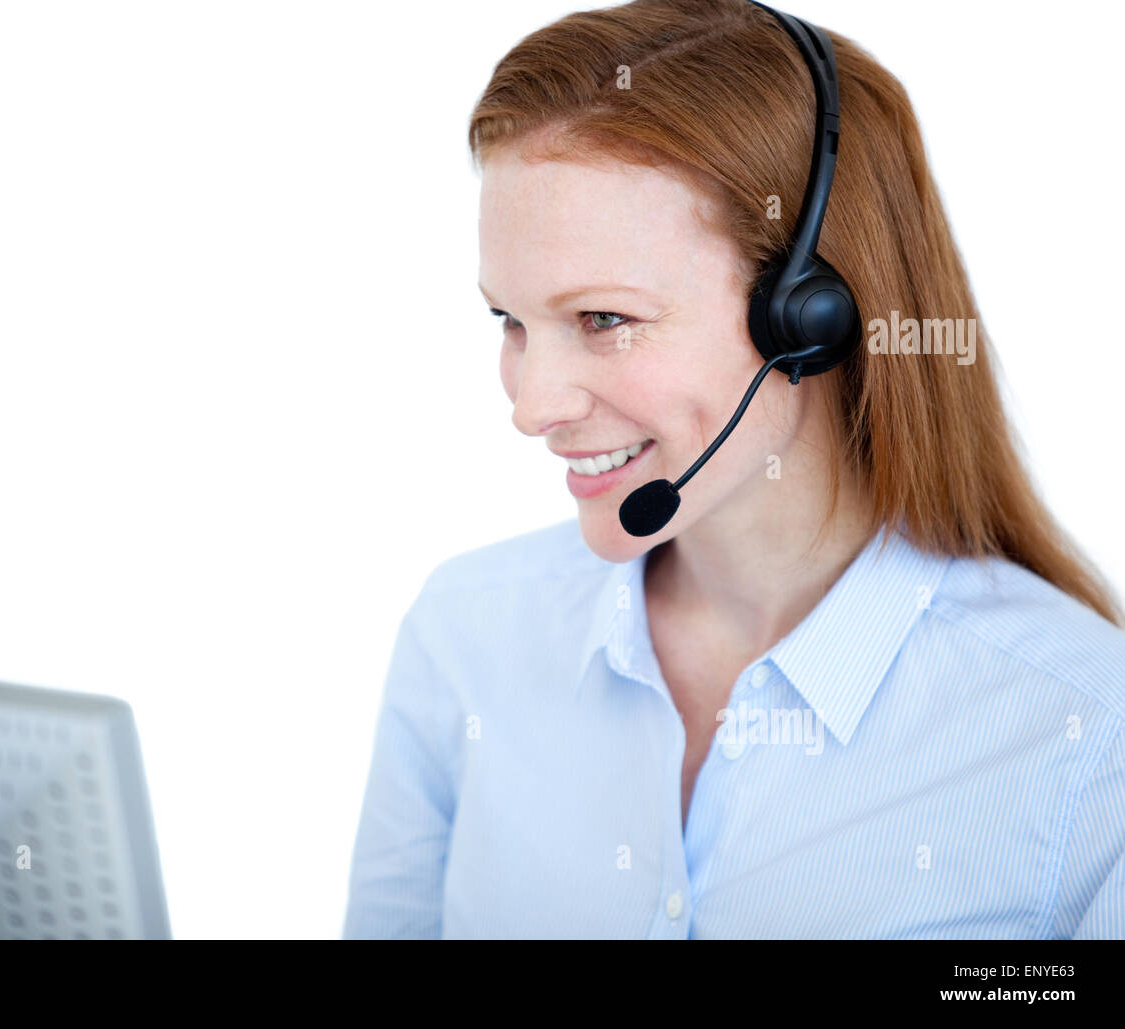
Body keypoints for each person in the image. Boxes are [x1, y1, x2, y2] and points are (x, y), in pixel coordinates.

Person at [343, 0, 1125, 939]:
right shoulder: (465, 635)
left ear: (808, 318)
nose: (531, 403)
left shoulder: (1082, 732)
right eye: (509, 321)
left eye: (603, 319)